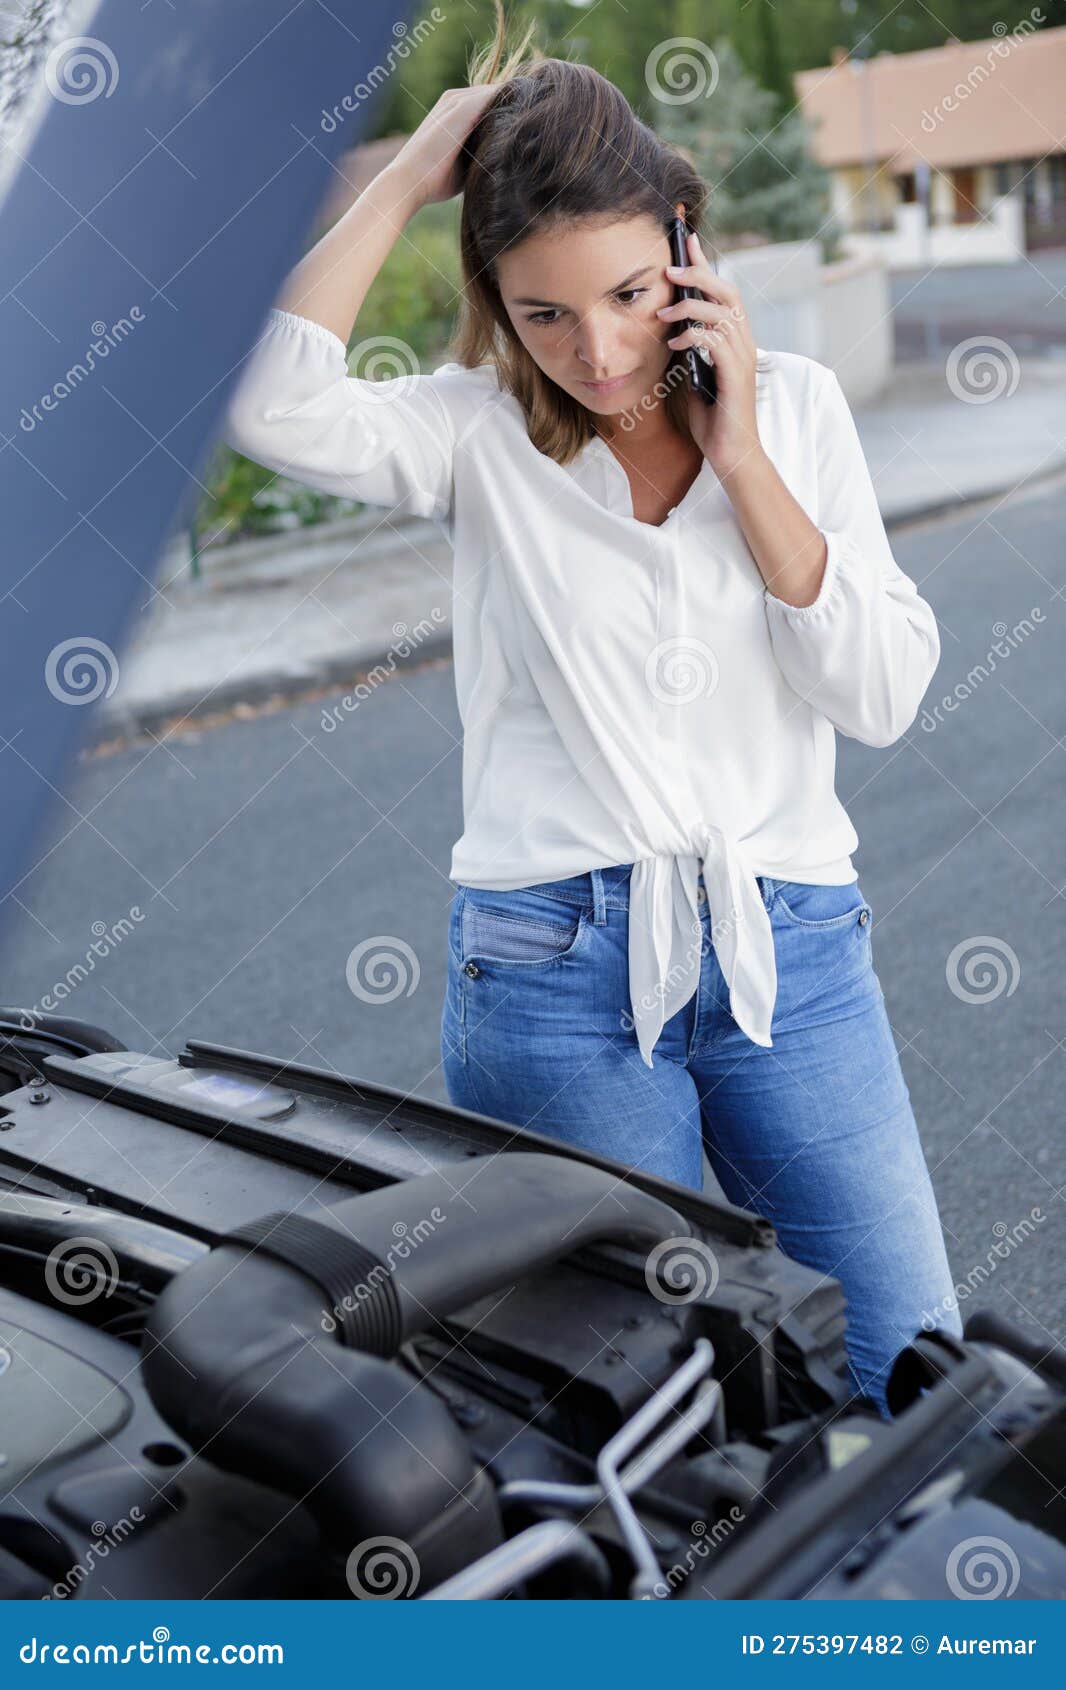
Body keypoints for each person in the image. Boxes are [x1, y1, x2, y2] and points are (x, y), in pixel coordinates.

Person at [221, 7, 962, 1416]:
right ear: (494, 298)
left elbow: (881, 692)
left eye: (627, 295)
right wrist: (407, 170)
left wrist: (742, 460)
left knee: (908, 1363)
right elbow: (265, 399)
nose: (597, 351)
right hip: (550, 975)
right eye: (541, 311)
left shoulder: (794, 411)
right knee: (648, 1401)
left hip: (786, 952)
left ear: (686, 244)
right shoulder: (469, 433)